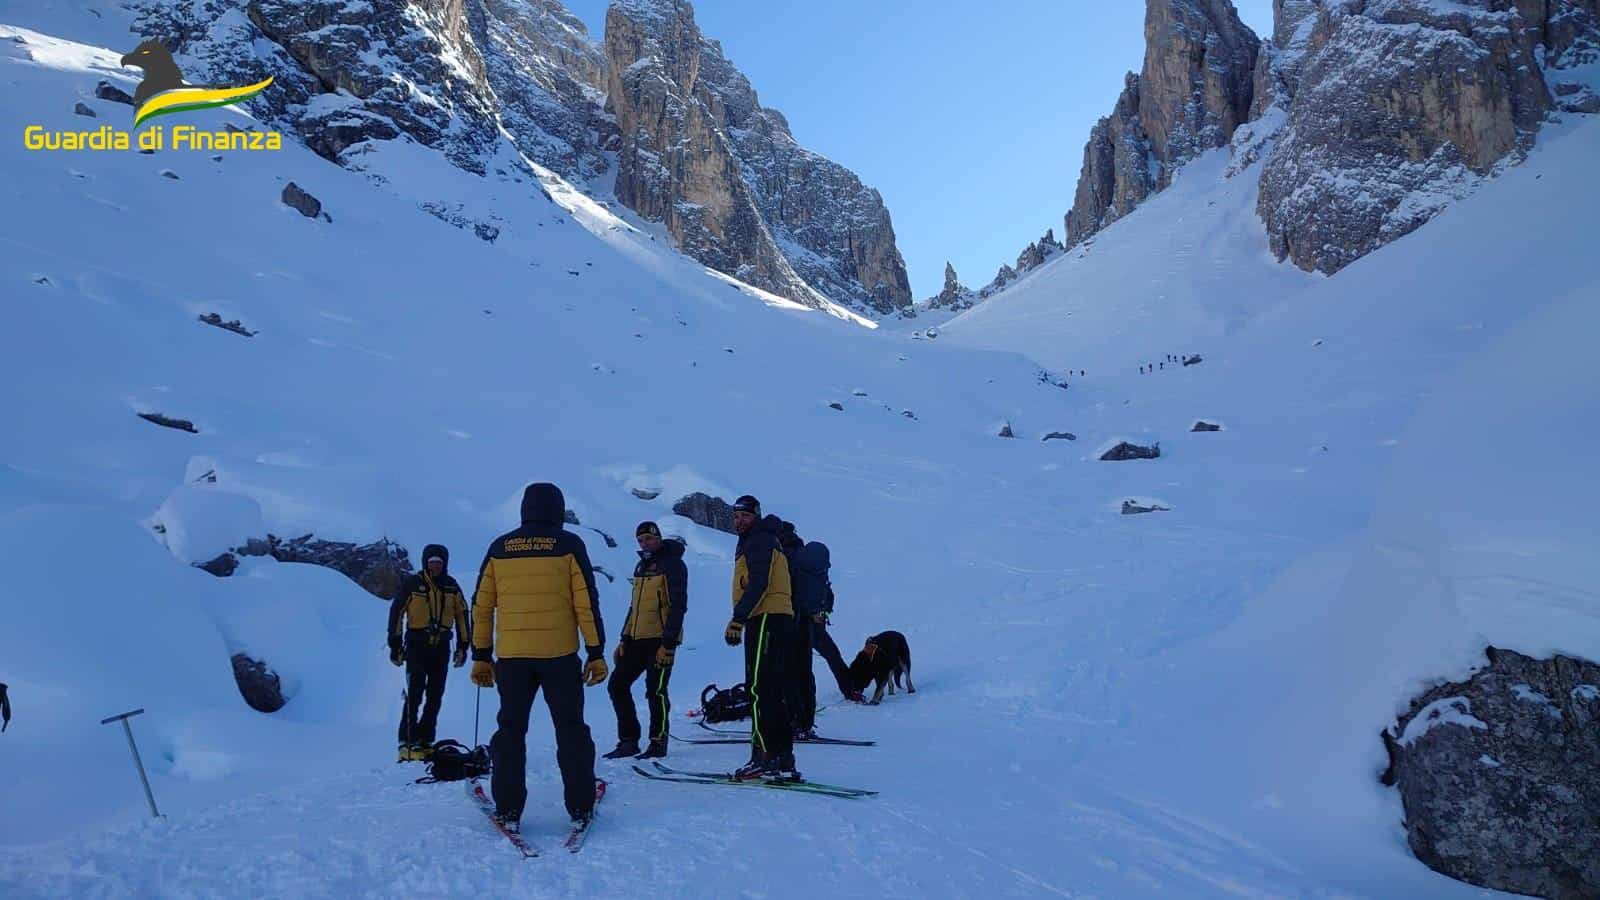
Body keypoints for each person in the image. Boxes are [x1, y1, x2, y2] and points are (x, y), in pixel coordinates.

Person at [470, 483, 608, 834]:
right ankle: (580, 806)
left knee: (510, 732)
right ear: (558, 510)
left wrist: (481, 656)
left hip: (512, 660)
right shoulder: (569, 545)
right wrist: (595, 652)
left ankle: (508, 810)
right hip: (559, 657)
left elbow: (482, 608)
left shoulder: (500, 547)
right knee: (571, 731)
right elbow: (586, 605)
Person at [725, 495, 796, 779]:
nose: (739, 521)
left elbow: (758, 582)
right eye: (736, 516)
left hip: (765, 615)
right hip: (775, 616)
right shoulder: (764, 538)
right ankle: (782, 756)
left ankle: (764, 755)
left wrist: (738, 618)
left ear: (756, 516)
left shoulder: (759, 539)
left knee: (758, 689)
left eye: (745, 516)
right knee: (771, 689)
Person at [602, 522, 687, 760]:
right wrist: (624, 638)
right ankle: (628, 741)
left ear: (658, 538)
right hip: (637, 640)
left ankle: (658, 742)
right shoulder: (642, 566)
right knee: (617, 685)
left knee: (655, 691)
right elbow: (635, 607)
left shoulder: (673, 564)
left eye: (649, 539)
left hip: (660, 639)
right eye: (641, 540)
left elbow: (678, 606)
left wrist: (668, 644)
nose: (645, 543)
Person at [387, 543, 470, 761]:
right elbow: (397, 611)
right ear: (426, 562)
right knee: (414, 693)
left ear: (445, 564)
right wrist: (395, 645)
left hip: (441, 647)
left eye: (439, 562)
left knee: (435, 696)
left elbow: (462, 616)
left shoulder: (452, 586)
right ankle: (406, 742)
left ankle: (425, 740)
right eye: (432, 562)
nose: (436, 566)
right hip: (416, 645)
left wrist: (463, 646)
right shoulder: (413, 584)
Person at [785, 525, 831, 739]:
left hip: (789, 623)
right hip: (809, 623)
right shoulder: (808, 557)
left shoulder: (787, 558)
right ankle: (806, 722)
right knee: (805, 673)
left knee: (790, 675)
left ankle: (794, 721)